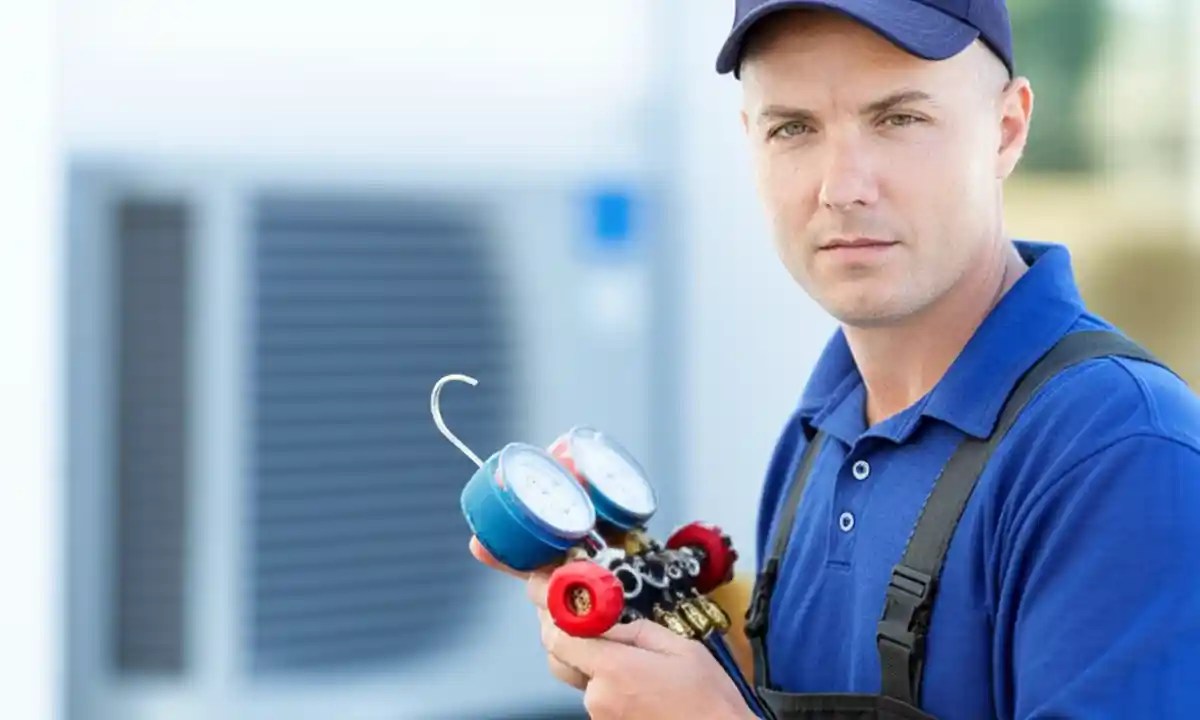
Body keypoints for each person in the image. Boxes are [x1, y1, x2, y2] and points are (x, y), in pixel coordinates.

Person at [470, 0, 1200, 717]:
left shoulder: (1120, 450)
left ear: (1007, 130)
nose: (841, 187)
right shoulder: (821, 432)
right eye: (793, 128)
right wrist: (674, 660)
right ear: (752, 142)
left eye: (898, 119)